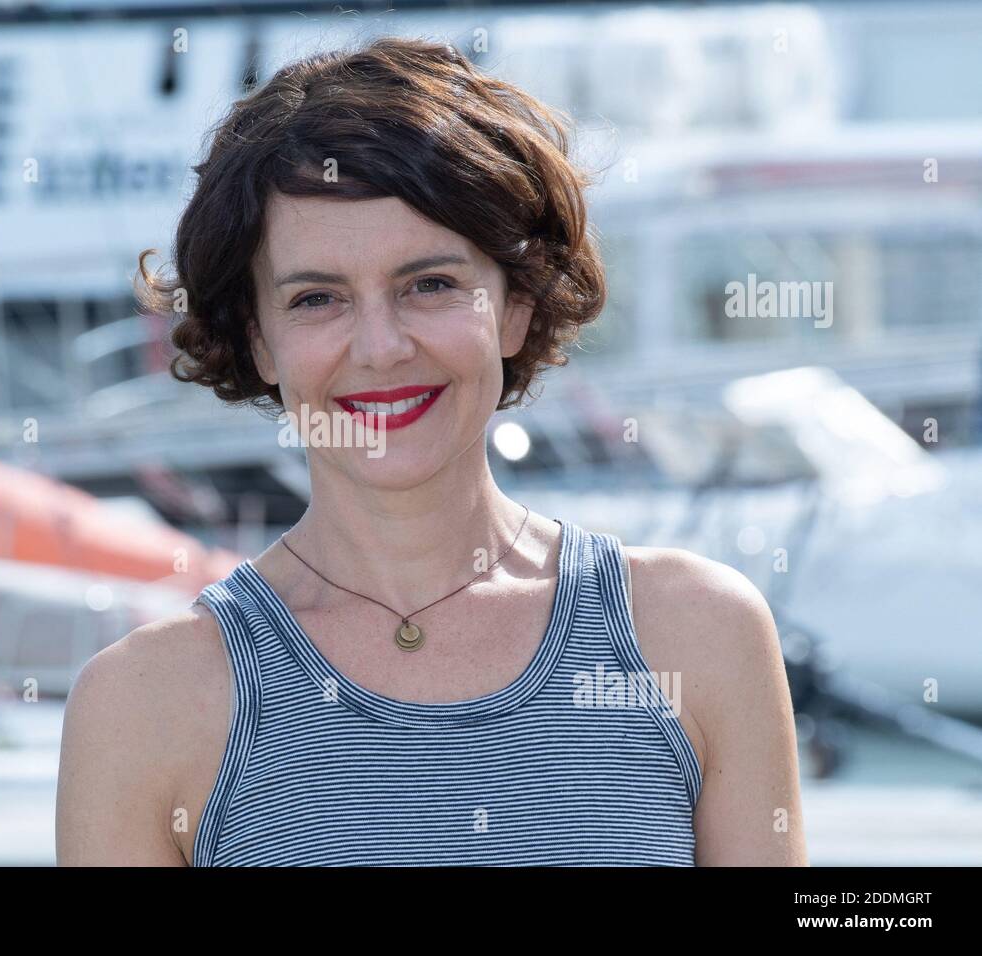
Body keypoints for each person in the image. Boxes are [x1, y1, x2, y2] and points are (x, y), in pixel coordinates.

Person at [56, 36, 806, 866]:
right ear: (258, 341)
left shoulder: (698, 636)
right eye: (316, 299)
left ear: (518, 303)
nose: (381, 347)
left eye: (431, 284)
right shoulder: (140, 708)